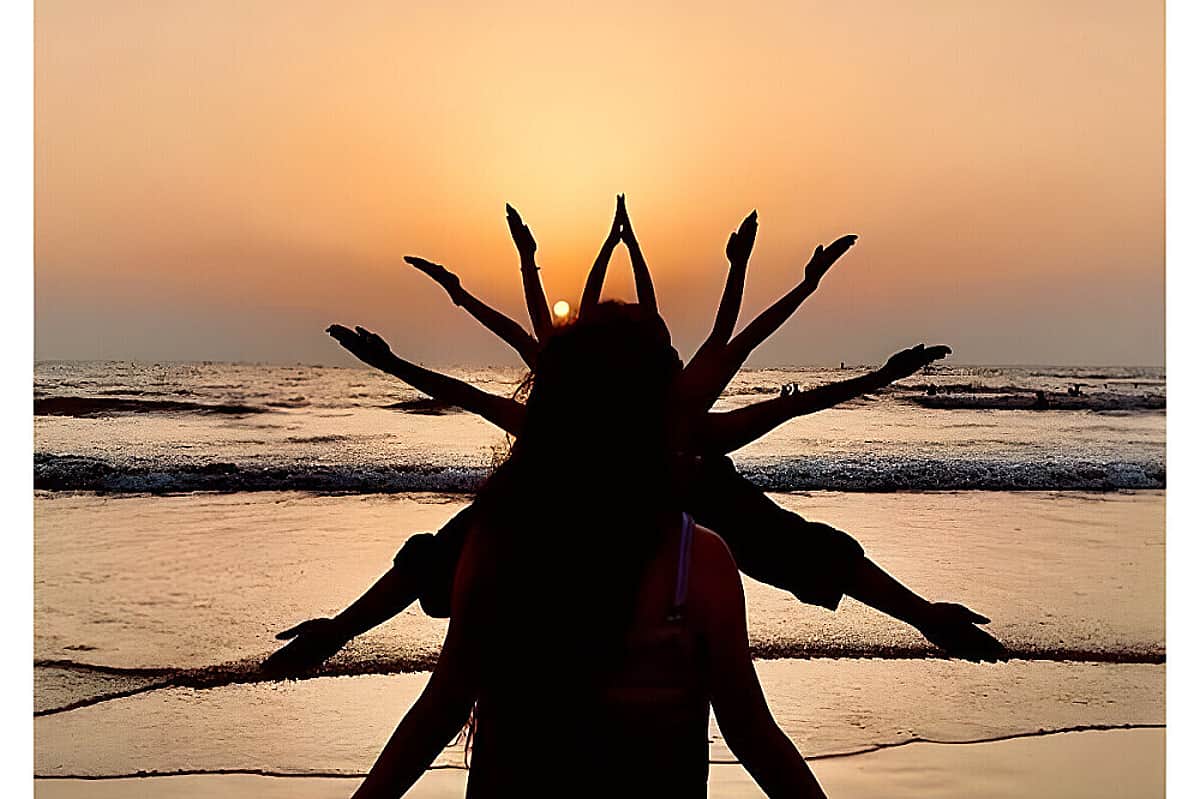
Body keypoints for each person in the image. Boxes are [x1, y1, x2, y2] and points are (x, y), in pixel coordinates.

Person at [265, 199, 1003, 675]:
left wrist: (867, 362)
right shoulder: (577, 431)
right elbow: (731, 349)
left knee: (781, 533)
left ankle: (930, 619)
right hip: (590, 512)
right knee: (465, 539)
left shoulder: (672, 428)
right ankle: (332, 633)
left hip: (654, 503)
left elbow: (755, 369)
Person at [349, 302, 828, 798]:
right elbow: (751, 734)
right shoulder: (696, 565)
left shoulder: (500, 541)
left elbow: (441, 709)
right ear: (658, 415)